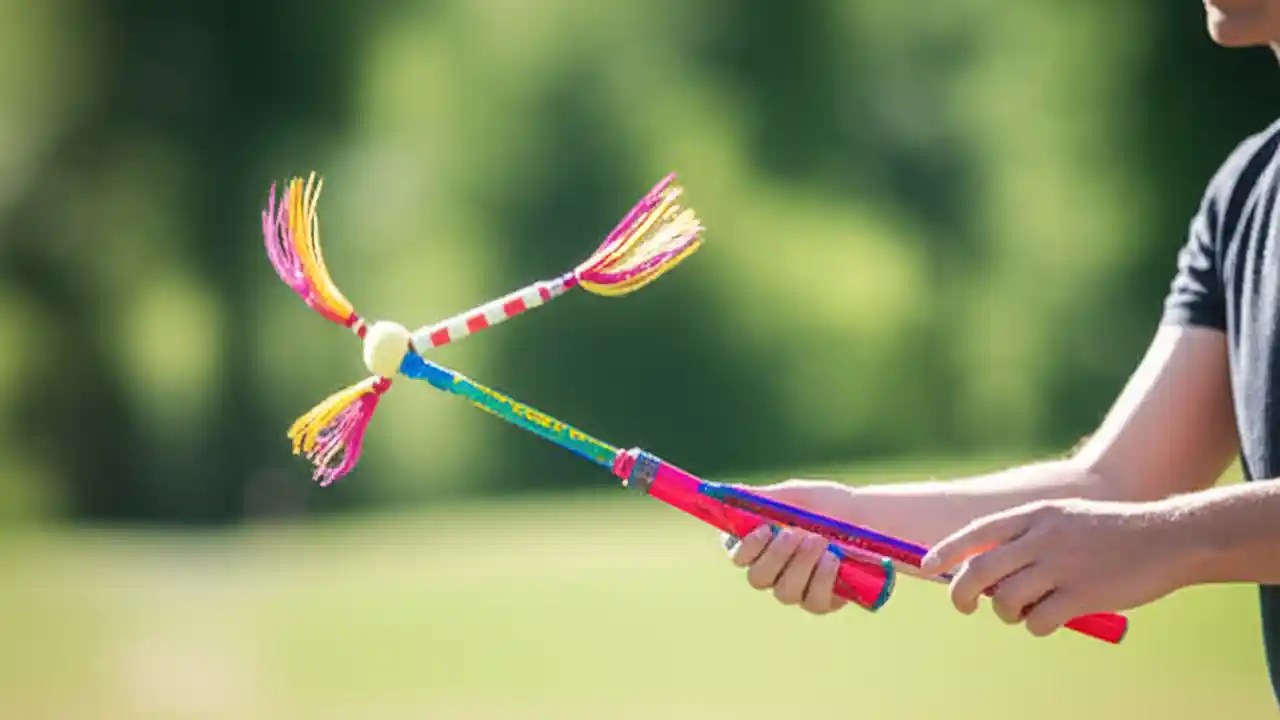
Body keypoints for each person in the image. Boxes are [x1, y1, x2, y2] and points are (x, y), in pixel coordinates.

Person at [726, 0, 1280, 702]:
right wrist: (846, 521)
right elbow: (1118, 484)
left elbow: (1138, 520)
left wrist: (1167, 542)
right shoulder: (1245, 195)